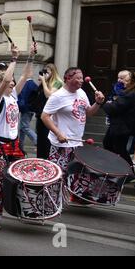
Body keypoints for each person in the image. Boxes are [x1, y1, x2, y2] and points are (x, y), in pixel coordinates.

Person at [0, 44, 34, 230]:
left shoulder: (12, 96)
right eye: (9, 81)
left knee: (14, 181)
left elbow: (26, 76)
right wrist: (13, 59)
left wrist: (30, 57)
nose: (12, 83)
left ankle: (14, 211)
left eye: (13, 81)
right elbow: (5, 80)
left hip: (13, 147)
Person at [41, 67, 105, 203]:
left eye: (82, 78)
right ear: (68, 78)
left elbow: (89, 112)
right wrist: (58, 133)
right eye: (78, 78)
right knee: (58, 174)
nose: (82, 81)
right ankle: (50, 202)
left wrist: (98, 103)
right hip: (61, 144)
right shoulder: (58, 96)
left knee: (76, 173)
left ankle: (75, 196)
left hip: (77, 142)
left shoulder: (81, 93)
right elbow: (45, 116)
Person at [102, 70, 135, 167]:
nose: (121, 82)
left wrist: (105, 103)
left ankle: (128, 172)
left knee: (119, 148)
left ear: (132, 82)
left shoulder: (130, 94)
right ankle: (117, 167)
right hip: (119, 125)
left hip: (122, 127)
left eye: (125, 80)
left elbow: (114, 108)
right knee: (109, 143)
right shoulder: (128, 92)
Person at [29, 63, 63, 159]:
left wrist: (43, 81)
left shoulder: (57, 82)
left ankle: (47, 161)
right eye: (44, 72)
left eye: (47, 72)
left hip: (50, 117)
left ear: (53, 72)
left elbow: (49, 95)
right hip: (40, 115)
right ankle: (40, 160)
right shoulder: (46, 83)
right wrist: (42, 82)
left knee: (46, 140)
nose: (45, 74)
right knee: (41, 141)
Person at [17, 77, 38, 153]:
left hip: (26, 108)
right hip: (31, 108)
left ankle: (37, 140)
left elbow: (22, 96)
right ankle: (20, 146)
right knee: (22, 128)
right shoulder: (34, 84)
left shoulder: (26, 84)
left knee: (24, 127)